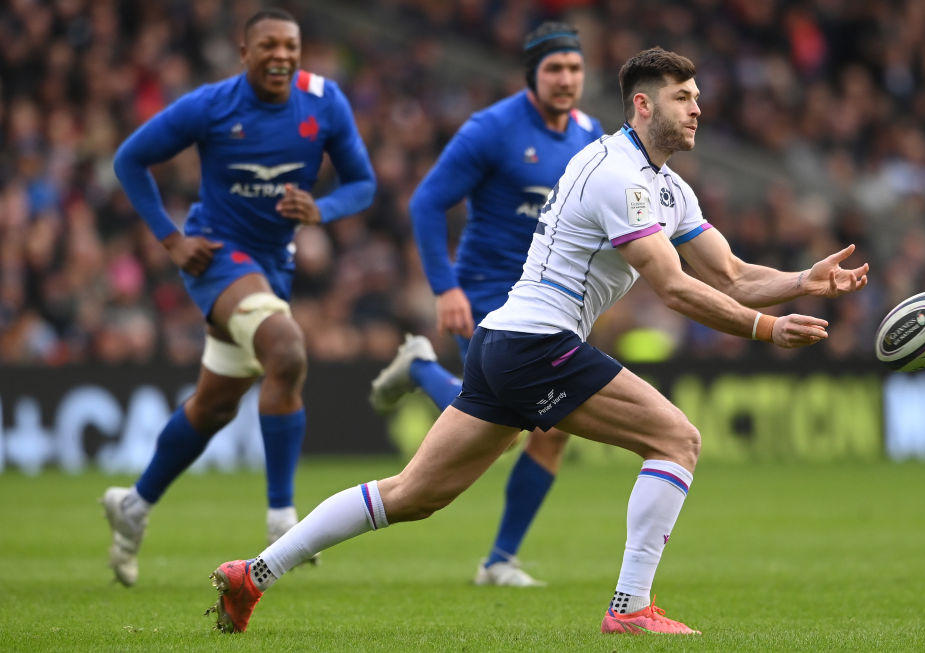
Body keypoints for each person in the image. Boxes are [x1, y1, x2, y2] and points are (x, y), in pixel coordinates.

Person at [206, 47, 868, 635]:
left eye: (697, 96)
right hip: (536, 342)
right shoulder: (619, 174)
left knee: (413, 494)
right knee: (678, 439)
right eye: (683, 97)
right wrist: (765, 330)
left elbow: (732, 274)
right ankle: (631, 607)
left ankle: (253, 573)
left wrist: (803, 281)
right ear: (643, 104)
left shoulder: (668, 186)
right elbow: (672, 288)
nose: (698, 108)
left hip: (507, 341)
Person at [102, 9, 376, 587]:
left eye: (291, 46)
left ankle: (134, 505)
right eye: (269, 45)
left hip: (273, 265)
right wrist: (171, 239)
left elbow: (363, 183)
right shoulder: (211, 105)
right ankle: (282, 518)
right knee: (288, 350)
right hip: (216, 256)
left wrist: (321, 209)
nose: (281, 55)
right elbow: (130, 158)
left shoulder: (325, 102)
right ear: (244, 51)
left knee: (214, 406)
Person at [368, 21, 602, 587]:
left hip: (551, 299)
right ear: (532, 74)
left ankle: (499, 560)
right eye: (555, 68)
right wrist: (445, 287)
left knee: (554, 427)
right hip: (485, 293)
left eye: (574, 68)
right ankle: (421, 366)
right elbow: (426, 204)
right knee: (517, 421)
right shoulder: (490, 130)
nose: (567, 78)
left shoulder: (590, 133)